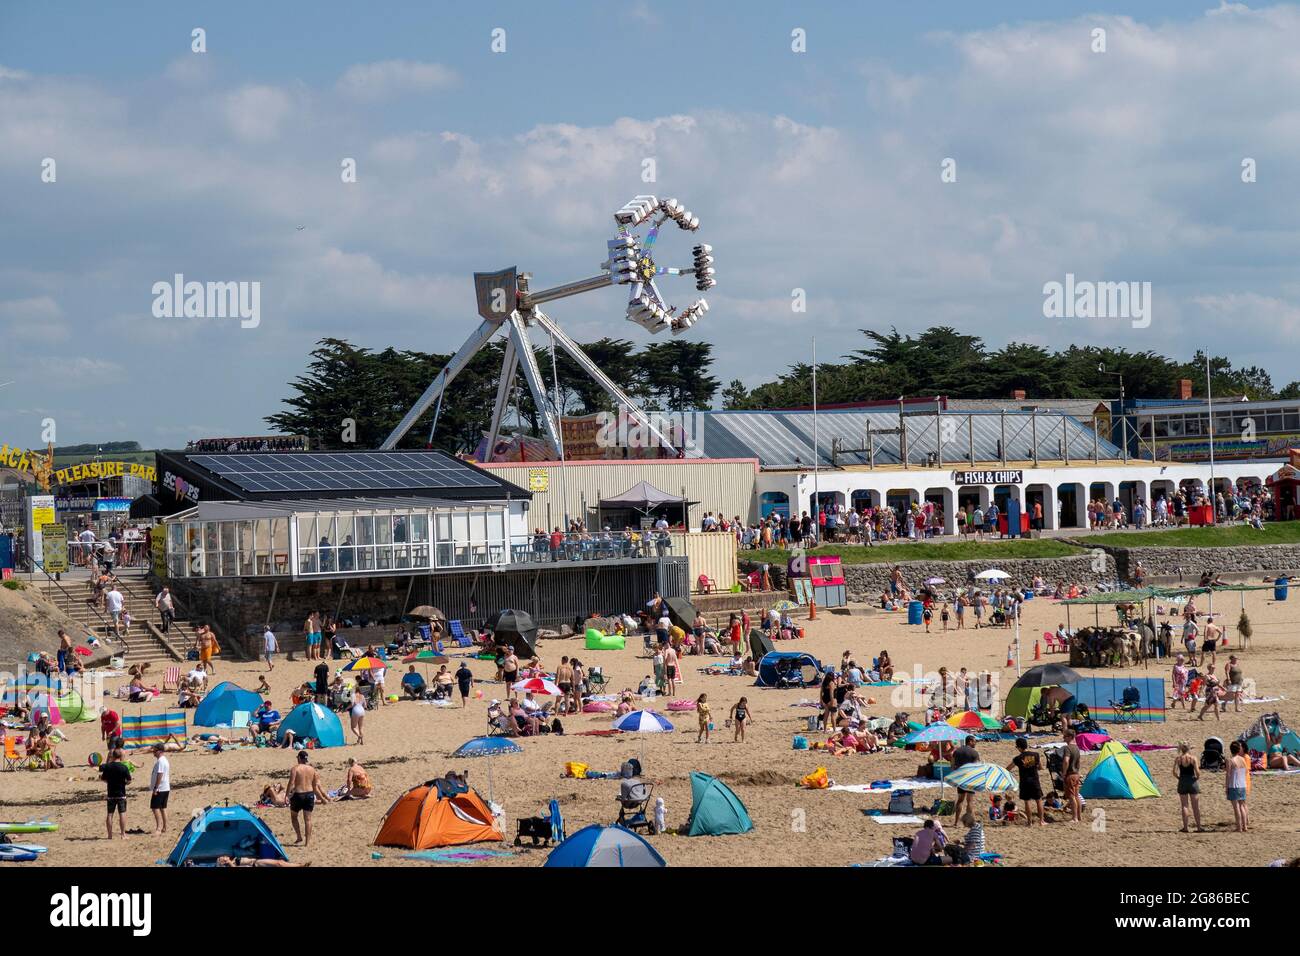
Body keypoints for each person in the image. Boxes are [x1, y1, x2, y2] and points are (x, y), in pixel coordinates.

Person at [287, 751, 327, 846]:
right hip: (309, 795)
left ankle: (299, 836)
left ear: (299, 758)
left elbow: (291, 783)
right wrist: (322, 798)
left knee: (294, 816)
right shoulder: (312, 769)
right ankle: (307, 843)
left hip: (298, 795)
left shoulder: (295, 769)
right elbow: (315, 787)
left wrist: (287, 795)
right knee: (308, 820)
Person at [1007, 737, 1045, 827]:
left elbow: (1009, 768)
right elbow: (1040, 767)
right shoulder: (1036, 754)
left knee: (1027, 802)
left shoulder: (1018, 758)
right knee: (1038, 800)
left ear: (1019, 747)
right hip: (1035, 780)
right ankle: (1041, 821)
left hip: (1024, 782)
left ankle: (1029, 822)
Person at [100, 748, 132, 840]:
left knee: (110, 814)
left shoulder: (108, 766)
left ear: (112, 756)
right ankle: (123, 834)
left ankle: (110, 835)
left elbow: (103, 778)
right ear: (120, 756)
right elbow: (129, 780)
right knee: (122, 813)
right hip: (121, 793)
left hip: (111, 793)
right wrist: (124, 783)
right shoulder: (123, 767)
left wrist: (109, 782)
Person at [1173, 742, 1204, 833]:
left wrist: (1179, 778)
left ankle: (1185, 827)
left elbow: (1174, 772)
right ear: (1189, 748)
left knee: (1184, 805)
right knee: (1195, 806)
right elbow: (1198, 772)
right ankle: (1198, 827)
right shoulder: (1193, 758)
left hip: (1182, 781)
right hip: (1192, 781)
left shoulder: (1178, 759)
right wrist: (1196, 778)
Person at [950, 735, 980, 825]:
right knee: (969, 801)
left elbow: (952, 765)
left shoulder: (957, 751)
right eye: (974, 741)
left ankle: (956, 822)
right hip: (970, 778)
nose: (975, 743)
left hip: (961, 778)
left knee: (960, 800)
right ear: (970, 741)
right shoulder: (974, 753)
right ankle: (968, 822)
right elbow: (977, 767)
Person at [1226, 740, 1250, 833]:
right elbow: (1245, 772)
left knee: (1236, 807)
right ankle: (1245, 826)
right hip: (1242, 785)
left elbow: (1228, 775)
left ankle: (1239, 827)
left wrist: (1226, 787)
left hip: (1234, 785)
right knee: (1242, 805)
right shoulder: (1243, 759)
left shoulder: (1230, 760)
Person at [1061, 728, 1083, 823]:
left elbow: (1066, 761)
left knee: (1071, 797)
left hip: (1070, 774)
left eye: (1065, 736)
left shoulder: (1067, 748)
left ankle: (1074, 818)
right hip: (1076, 774)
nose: (1063, 738)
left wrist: (1064, 772)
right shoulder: (1077, 748)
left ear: (1070, 737)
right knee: (1077, 796)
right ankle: (1079, 816)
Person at [149, 742, 171, 835]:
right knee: (162, 808)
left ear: (160, 751)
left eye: (155, 750)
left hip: (161, 788)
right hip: (165, 787)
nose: (153, 752)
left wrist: (156, 788)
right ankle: (165, 827)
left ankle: (159, 828)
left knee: (155, 808)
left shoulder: (161, 761)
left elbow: (160, 774)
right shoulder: (163, 760)